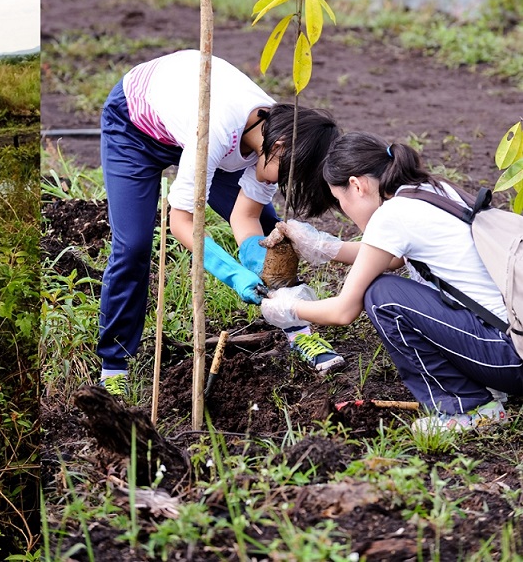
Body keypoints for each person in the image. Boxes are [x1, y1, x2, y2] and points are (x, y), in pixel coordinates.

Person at [97, 49, 342, 396]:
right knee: (133, 245)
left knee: (270, 230)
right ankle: (114, 368)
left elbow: (246, 216)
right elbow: (180, 221)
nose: (280, 185)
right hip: (136, 128)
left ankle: (297, 329)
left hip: (197, 125)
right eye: (286, 176)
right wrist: (231, 272)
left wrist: (256, 258)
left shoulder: (278, 136)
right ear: (280, 147)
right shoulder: (216, 129)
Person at [263, 134, 520, 433]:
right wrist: (325, 247)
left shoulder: (392, 216)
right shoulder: (431, 189)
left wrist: (288, 307)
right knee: (391, 291)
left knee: (383, 296)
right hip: (515, 336)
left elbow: (343, 311)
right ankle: (486, 383)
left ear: (357, 185)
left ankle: (468, 408)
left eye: (339, 199)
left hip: (510, 358)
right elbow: (394, 258)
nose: (343, 208)